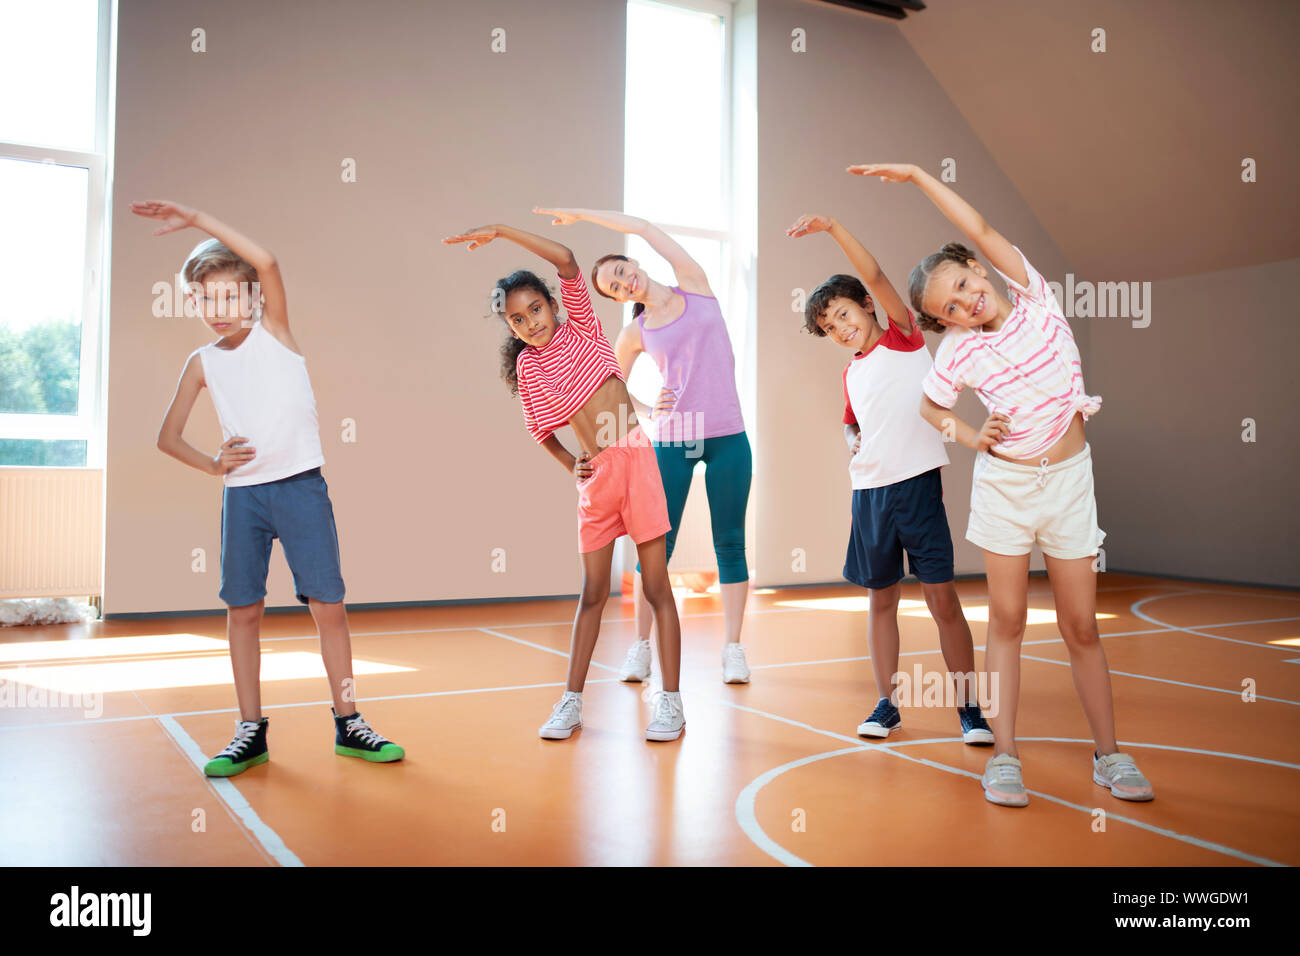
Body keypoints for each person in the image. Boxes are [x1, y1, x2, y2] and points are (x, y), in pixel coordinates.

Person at [849, 163, 1154, 806]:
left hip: (1069, 482)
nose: (964, 303)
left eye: (963, 285)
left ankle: (1110, 754)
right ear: (941, 322)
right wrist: (968, 434)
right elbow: (930, 410)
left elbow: (979, 225)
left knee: (1081, 626)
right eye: (948, 308)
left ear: (978, 268)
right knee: (1008, 620)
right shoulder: (957, 351)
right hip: (1006, 492)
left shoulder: (1033, 293)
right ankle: (1005, 758)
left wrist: (916, 176)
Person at [141, 199, 403, 776]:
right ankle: (250, 731)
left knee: (329, 607)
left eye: (230, 295)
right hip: (244, 498)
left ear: (254, 296)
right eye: (206, 298)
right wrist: (214, 464)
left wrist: (195, 218)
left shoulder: (276, 332)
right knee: (244, 611)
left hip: (301, 489)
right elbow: (167, 435)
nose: (218, 308)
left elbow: (268, 259)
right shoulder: (202, 361)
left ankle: (349, 722)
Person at [442, 221, 685, 741]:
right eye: (516, 319)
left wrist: (504, 232)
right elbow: (540, 431)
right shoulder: (529, 366)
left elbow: (568, 257)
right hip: (597, 478)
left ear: (553, 304)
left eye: (534, 309)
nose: (529, 322)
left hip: (637, 460)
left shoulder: (583, 328)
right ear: (509, 327)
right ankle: (570, 702)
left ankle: (671, 703)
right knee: (592, 592)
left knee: (657, 586)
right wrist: (571, 463)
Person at [788, 211, 992, 745]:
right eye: (829, 328)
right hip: (870, 497)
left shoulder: (902, 337)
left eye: (841, 314)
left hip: (918, 487)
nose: (839, 329)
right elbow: (852, 422)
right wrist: (851, 439)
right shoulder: (850, 370)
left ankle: (970, 708)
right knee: (881, 600)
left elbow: (875, 271)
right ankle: (887, 704)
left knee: (942, 600)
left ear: (866, 304)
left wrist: (833, 228)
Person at [538, 208, 753, 685]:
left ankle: (733, 648)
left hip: (728, 435)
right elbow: (605, 382)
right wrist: (652, 410)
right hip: (676, 440)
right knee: (659, 546)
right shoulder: (635, 332)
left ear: (633, 265)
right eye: (613, 287)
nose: (622, 283)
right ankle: (640, 648)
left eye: (620, 272)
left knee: (730, 543)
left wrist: (578, 215)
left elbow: (643, 227)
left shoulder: (693, 284)